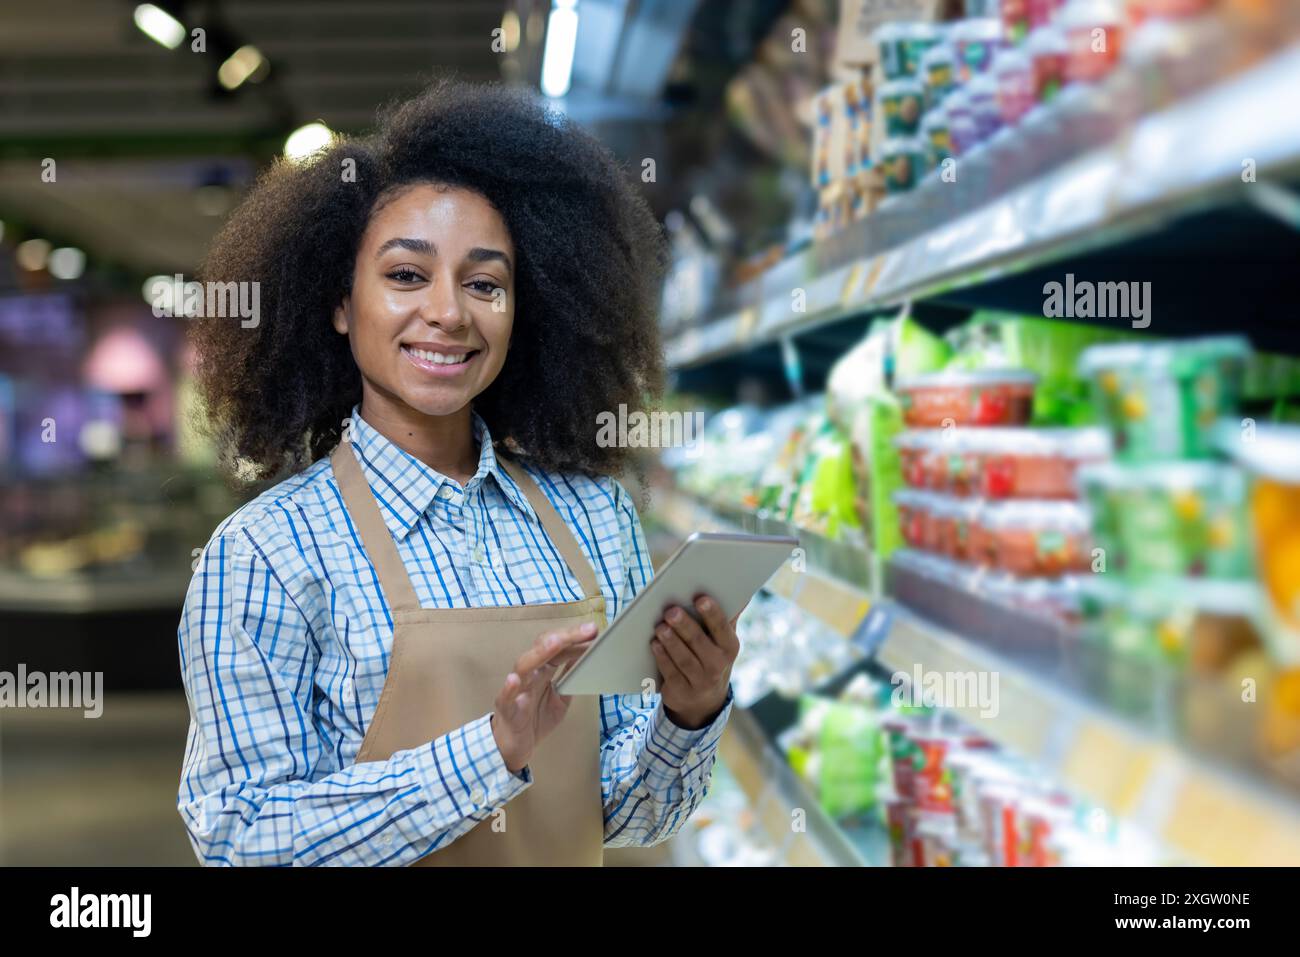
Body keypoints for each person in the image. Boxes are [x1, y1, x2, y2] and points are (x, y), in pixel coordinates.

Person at [176, 80, 738, 866]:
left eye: (485, 283)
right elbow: (240, 838)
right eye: (407, 275)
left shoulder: (594, 516)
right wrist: (490, 755)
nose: (449, 312)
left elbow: (629, 813)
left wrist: (689, 710)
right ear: (340, 302)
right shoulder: (264, 555)